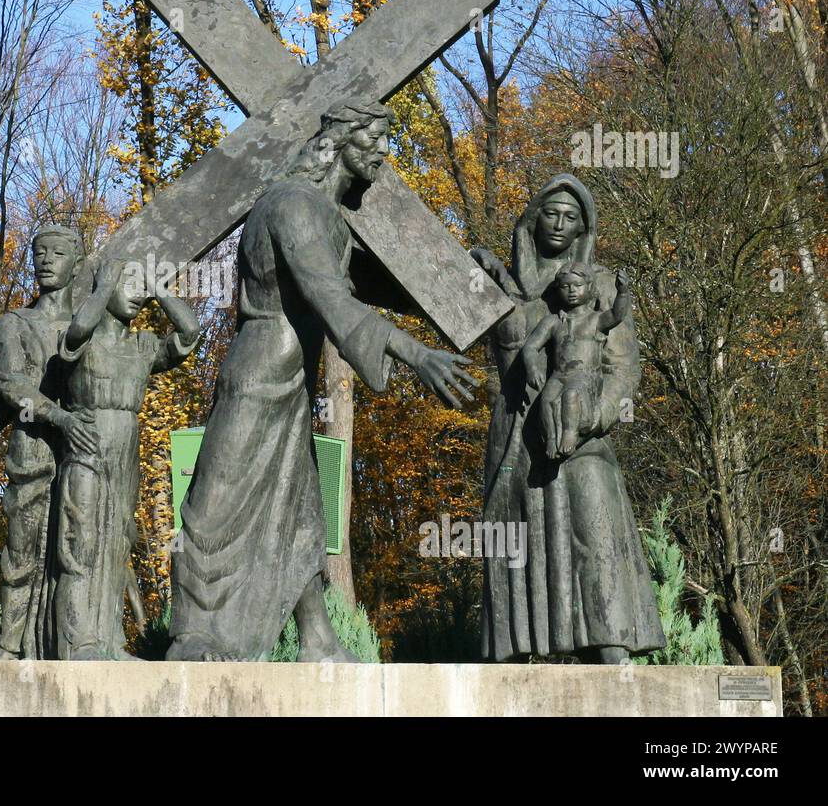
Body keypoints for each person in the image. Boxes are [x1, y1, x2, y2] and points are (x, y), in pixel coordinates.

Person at [167, 102, 479, 662]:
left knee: (299, 510)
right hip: (260, 372)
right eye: (376, 138)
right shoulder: (293, 206)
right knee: (216, 502)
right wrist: (415, 355)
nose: (385, 151)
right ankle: (194, 632)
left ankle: (318, 639)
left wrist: (464, 277)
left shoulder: (325, 216)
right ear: (339, 141)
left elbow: (373, 285)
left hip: (291, 382)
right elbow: (329, 295)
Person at [472, 175, 664, 664]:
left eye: (570, 216)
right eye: (550, 213)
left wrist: (590, 419)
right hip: (516, 434)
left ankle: (610, 642)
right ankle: (520, 653)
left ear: (583, 227)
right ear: (533, 218)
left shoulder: (597, 285)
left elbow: (623, 367)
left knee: (593, 519)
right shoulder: (503, 283)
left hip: (581, 430)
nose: (558, 224)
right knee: (516, 538)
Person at [53, 259, 200, 659]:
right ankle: (79, 641)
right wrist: (102, 288)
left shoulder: (143, 345)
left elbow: (190, 332)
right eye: (129, 284)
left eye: (142, 287)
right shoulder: (82, 336)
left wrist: (160, 286)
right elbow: (78, 331)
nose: (138, 294)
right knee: (79, 542)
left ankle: (110, 641)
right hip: (87, 441)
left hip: (126, 445)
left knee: (118, 541)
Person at [0, 224, 96, 660]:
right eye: (38, 253)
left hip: (83, 452)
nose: (45, 260)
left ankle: (76, 642)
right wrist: (59, 417)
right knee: (21, 549)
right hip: (33, 449)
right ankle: (10, 646)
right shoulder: (15, 322)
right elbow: (11, 383)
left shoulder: (90, 325)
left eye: (57, 252)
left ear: (77, 264)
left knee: (80, 550)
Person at [522, 263, 632, 458]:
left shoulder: (595, 320)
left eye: (578, 285)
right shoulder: (553, 322)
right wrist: (531, 367)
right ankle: (550, 439)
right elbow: (531, 346)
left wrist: (622, 292)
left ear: (590, 287)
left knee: (571, 395)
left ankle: (569, 433)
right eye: (565, 287)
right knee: (547, 399)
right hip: (559, 374)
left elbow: (617, 315)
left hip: (585, 376)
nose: (572, 291)